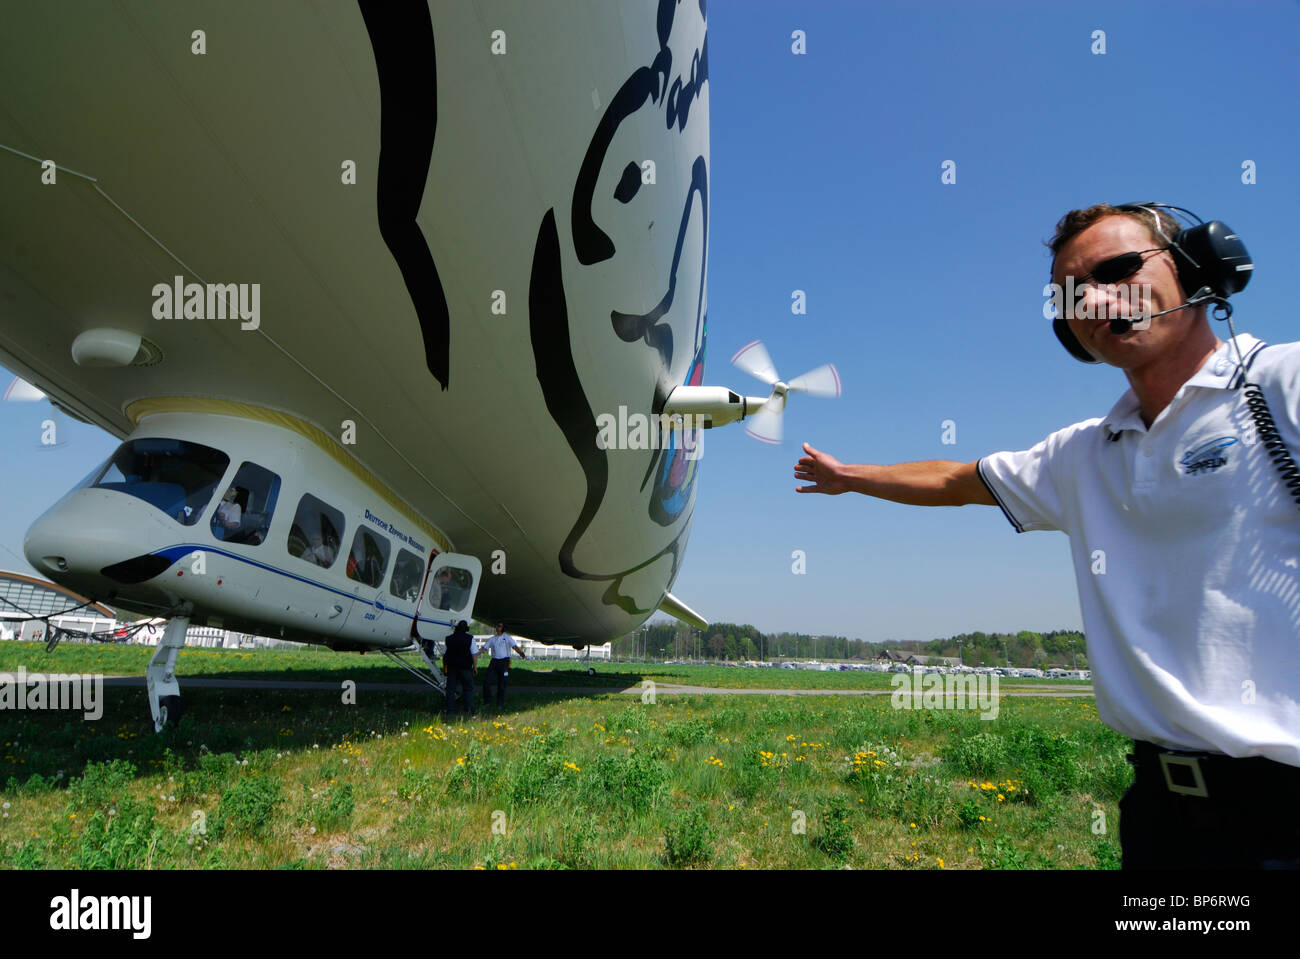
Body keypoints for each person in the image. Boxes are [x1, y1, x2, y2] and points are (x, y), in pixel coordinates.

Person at [794, 202, 1300, 869]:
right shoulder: (1082, 454)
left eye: (1118, 269)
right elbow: (954, 479)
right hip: (1159, 813)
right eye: (1072, 291)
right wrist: (848, 477)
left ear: (1196, 268)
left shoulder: (1282, 384)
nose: (1095, 296)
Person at [480, 621, 526, 711]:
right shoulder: (492, 639)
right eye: (497, 626)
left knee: (502, 683)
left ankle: (500, 703)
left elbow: (514, 646)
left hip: (504, 662)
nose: (497, 627)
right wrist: (476, 654)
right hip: (494, 661)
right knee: (487, 681)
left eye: (499, 626)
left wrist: (521, 653)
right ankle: (487, 702)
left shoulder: (507, 638)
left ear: (503, 628)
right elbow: (483, 648)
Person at [442, 620, 476, 720]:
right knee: (468, 689)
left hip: (452, 667)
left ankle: (450, 711)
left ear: (456, 628)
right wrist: (475, 667)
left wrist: (445, 667)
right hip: (465, 668)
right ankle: (468, 709)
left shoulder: (449, 639)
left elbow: (445, 655)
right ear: (466, 629)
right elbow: (474, 654)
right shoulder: (470, 638)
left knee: (450, 690)